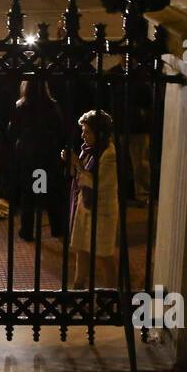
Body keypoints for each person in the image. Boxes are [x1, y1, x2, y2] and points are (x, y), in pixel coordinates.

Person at [7, 79, 66, 241]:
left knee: (29, 194)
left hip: (28, 155)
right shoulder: (51, 106)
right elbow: (60, 129)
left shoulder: (21, 106)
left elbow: (13, 131)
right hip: (47, 153)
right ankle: (57, 228)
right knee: (51, 192)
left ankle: (27, 230)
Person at [67, 109, 119, 289]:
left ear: (100, 133)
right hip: (85, 205)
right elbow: (77, 176)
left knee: (104, 254)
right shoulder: (88, 150)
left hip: (102, 210)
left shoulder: (109, 153)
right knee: (82, 248)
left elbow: (99, 182)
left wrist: (77, 165)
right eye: (83, 130)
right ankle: (78, 286)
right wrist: (73, 163)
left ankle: (110, 294)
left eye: (87, 131)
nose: (83, 135)